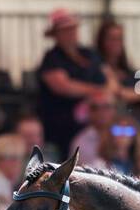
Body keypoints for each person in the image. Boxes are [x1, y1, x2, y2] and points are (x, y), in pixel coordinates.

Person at [37, 9, 109, 157]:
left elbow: (109, 79)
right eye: (65, 30)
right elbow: (63, 86)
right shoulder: (52, 58)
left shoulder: (89, 54)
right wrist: (97, 90)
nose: (71, 33)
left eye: (72, 29)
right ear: (56, 34)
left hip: (93, 123)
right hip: (63, 127)